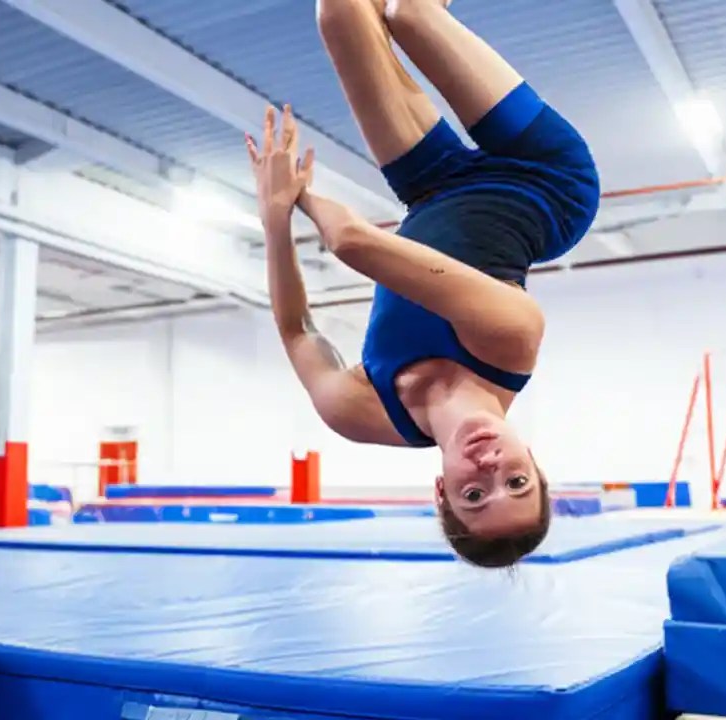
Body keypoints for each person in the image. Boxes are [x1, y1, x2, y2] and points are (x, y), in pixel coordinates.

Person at [246, 0, 600, 567]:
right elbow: (354, 243)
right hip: (544, 179)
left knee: (337, 14)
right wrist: (299, 199)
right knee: (410, 14)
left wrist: (274, 219)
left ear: (442, 491)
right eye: (517, 482)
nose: (490, 470)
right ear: (532, 460)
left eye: (475, 495)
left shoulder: (362, 415)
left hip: (432, 186)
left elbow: (296, 331)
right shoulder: (512, 340)